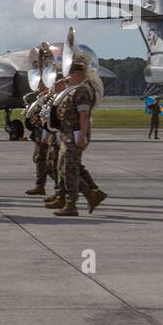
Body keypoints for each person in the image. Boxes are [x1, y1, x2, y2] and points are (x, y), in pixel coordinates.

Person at [52, 61, 106, 217]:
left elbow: (84, 114)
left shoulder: (82, 91)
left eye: (69, 74)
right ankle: (91, 194)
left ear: (77, 74)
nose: (67, 77)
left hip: (75, 136)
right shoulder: (72, 90)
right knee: (64, 167)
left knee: (70, 169)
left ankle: (72, 204)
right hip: (67, 135)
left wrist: (82, 135)